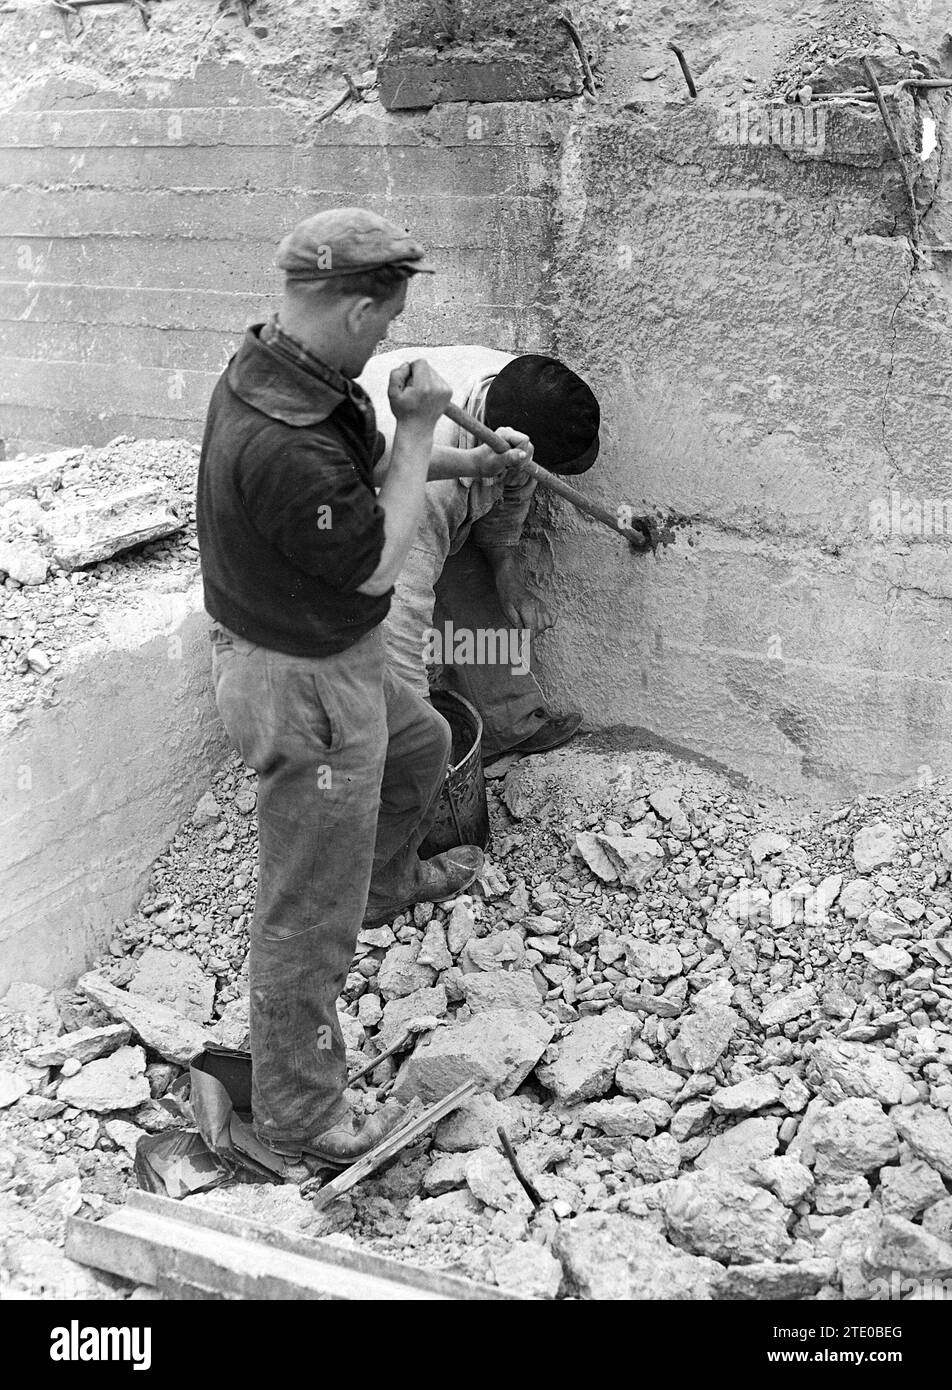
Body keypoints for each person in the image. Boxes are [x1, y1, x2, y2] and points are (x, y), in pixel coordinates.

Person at [195, 209, 528, 1166]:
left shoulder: (287, 371)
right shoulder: (283, 444)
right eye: (386, 317)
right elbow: (379, 563)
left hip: (326, 658)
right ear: (349, 304)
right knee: (306, 914)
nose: (391, 336)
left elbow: (371, 476)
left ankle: (385, 884)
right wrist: (423, 423)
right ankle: (301, 1114)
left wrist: (465, 456)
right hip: (304, 689)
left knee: (421, 746)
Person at [358, 345, 601, 759]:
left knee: (478, 572)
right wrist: (421, 738)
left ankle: (506, 726)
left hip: (424, 501)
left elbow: (512, 490)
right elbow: (401, 609)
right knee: (384, 642)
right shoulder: (428, 492)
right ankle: (393, 747)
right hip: (346, 513)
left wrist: (509, 574)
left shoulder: (519, 389)